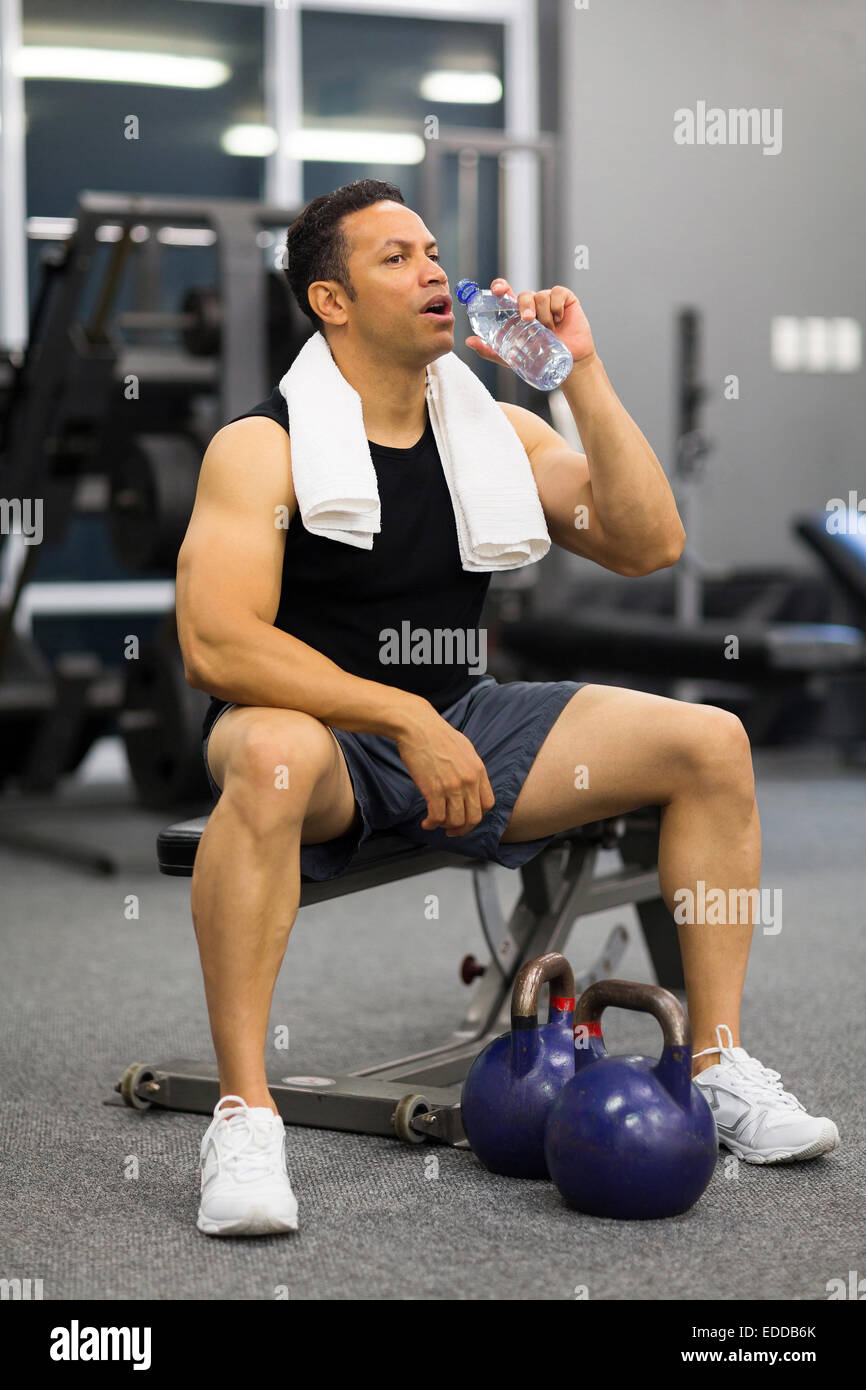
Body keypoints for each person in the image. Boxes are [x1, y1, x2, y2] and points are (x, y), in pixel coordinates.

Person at [175, 178, 839, 1237]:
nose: (434, 270)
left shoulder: (491, 432)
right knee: (266, 758)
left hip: (463, 716)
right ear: (330, 301)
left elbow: (645, 541)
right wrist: (401, 720)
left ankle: (711, 1065)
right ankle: (245, 1114)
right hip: (321, 739)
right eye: (394, 258)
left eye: (433, 250)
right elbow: (218, 642)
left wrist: (580, 374)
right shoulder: (263, 446)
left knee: (707, 741)